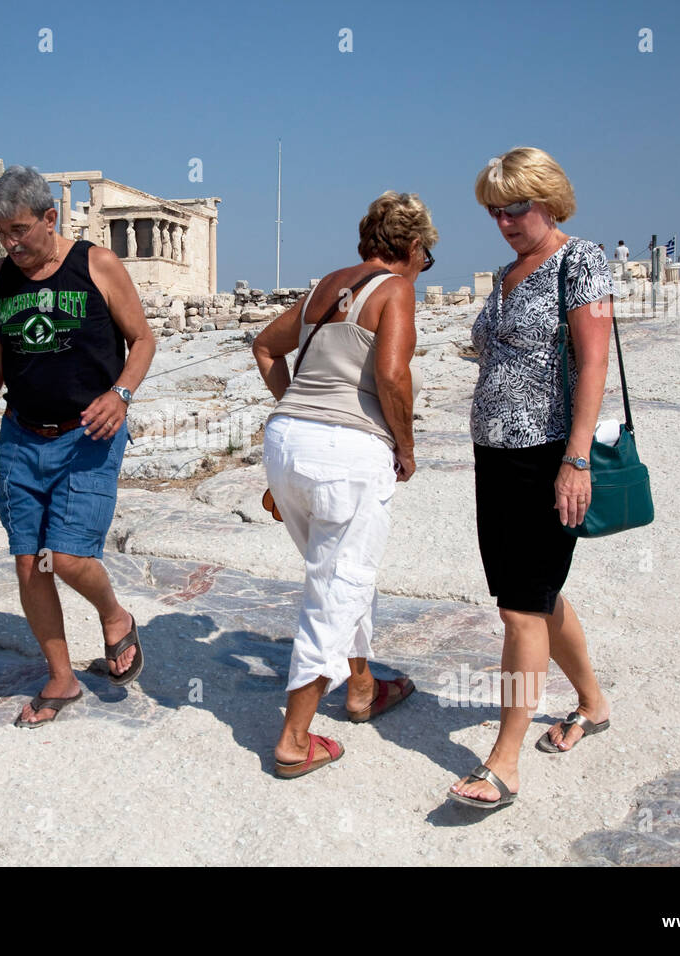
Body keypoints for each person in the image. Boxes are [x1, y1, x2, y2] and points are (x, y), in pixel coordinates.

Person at [0, 165, 156, 727]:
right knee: (30, 562)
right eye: (1, 234)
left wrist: (121, 394)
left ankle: (114, 616)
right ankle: (61, 677)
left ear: (49, 217)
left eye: (19, 230)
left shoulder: (96, 264)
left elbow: (142, 339)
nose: (11, 244)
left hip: (90, 435)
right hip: (21, 438)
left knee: (69, 557)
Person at [447, 147, 613, 810]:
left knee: (519, 610)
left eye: (517, 207)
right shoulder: (508, 272)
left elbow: (593, 363)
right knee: (536, 595)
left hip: (548, 454)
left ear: (550, 199)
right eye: (495, 210)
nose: (506, 220)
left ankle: (505, 758)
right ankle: (593, 706)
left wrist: (577, 459)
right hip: (496, 455)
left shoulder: (582, 260)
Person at [251, 191, 435, 778]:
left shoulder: (327, 285)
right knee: (337, 586)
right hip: (347, 454)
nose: (423, 268)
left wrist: (302, 415)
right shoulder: (396, 289)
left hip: (285, 445)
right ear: (410, 247)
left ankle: (361, 688)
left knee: (335, 574)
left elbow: (264, 346)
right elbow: (392, 375)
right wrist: (404, 447)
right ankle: (294, 738)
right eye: (425, 256)